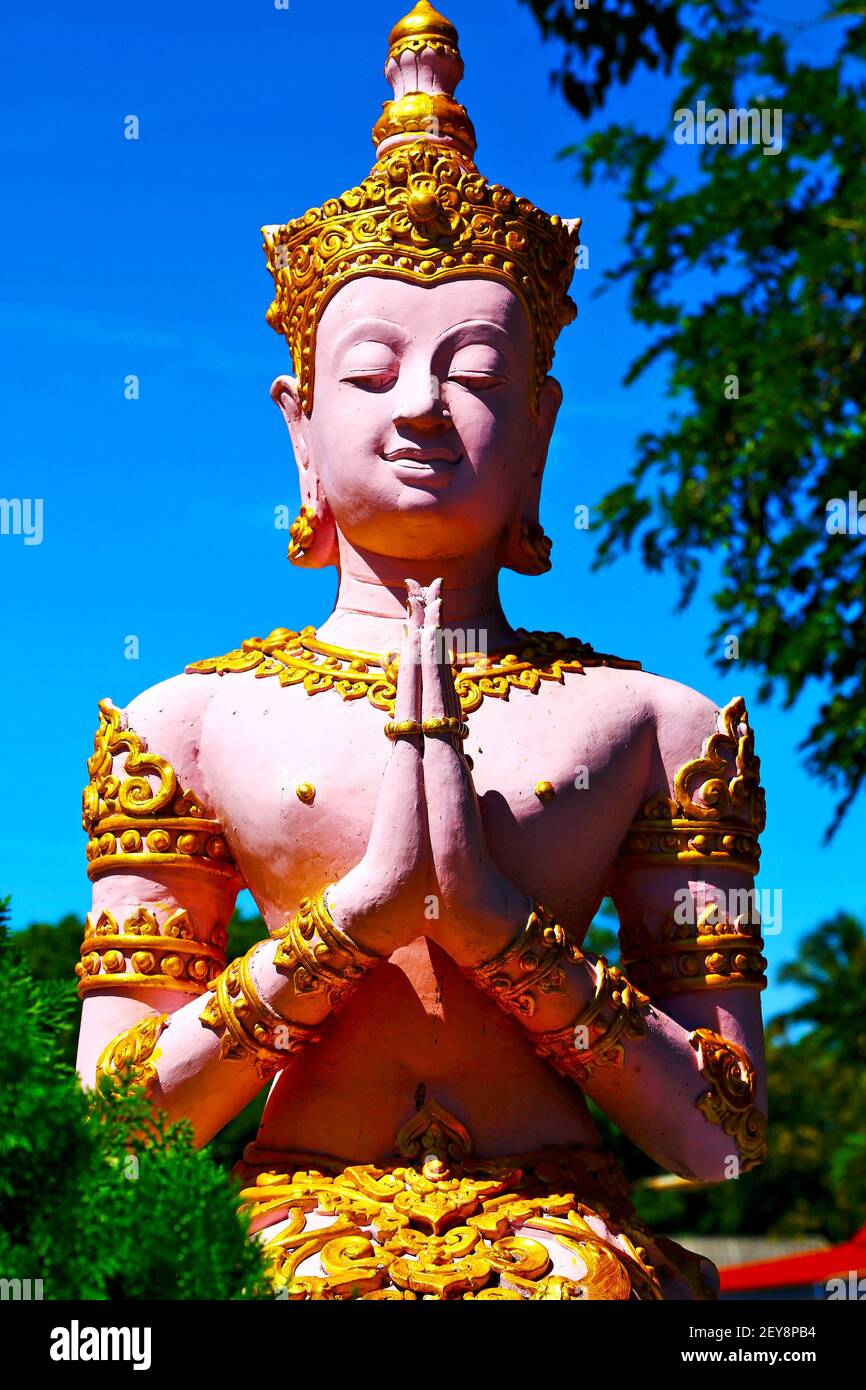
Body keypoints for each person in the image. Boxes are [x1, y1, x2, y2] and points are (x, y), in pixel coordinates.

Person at [75, 2, 767, 1300]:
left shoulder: (653, 728)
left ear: (539, 421)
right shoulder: (187, 724)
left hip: (571, 1248)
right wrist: (355, 921)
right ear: (299, 422)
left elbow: (719, 1139)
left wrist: (503, 930)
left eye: (474, 370)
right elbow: (115, 1128)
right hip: (279, 1247)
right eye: (374, 366)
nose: (419, 404)